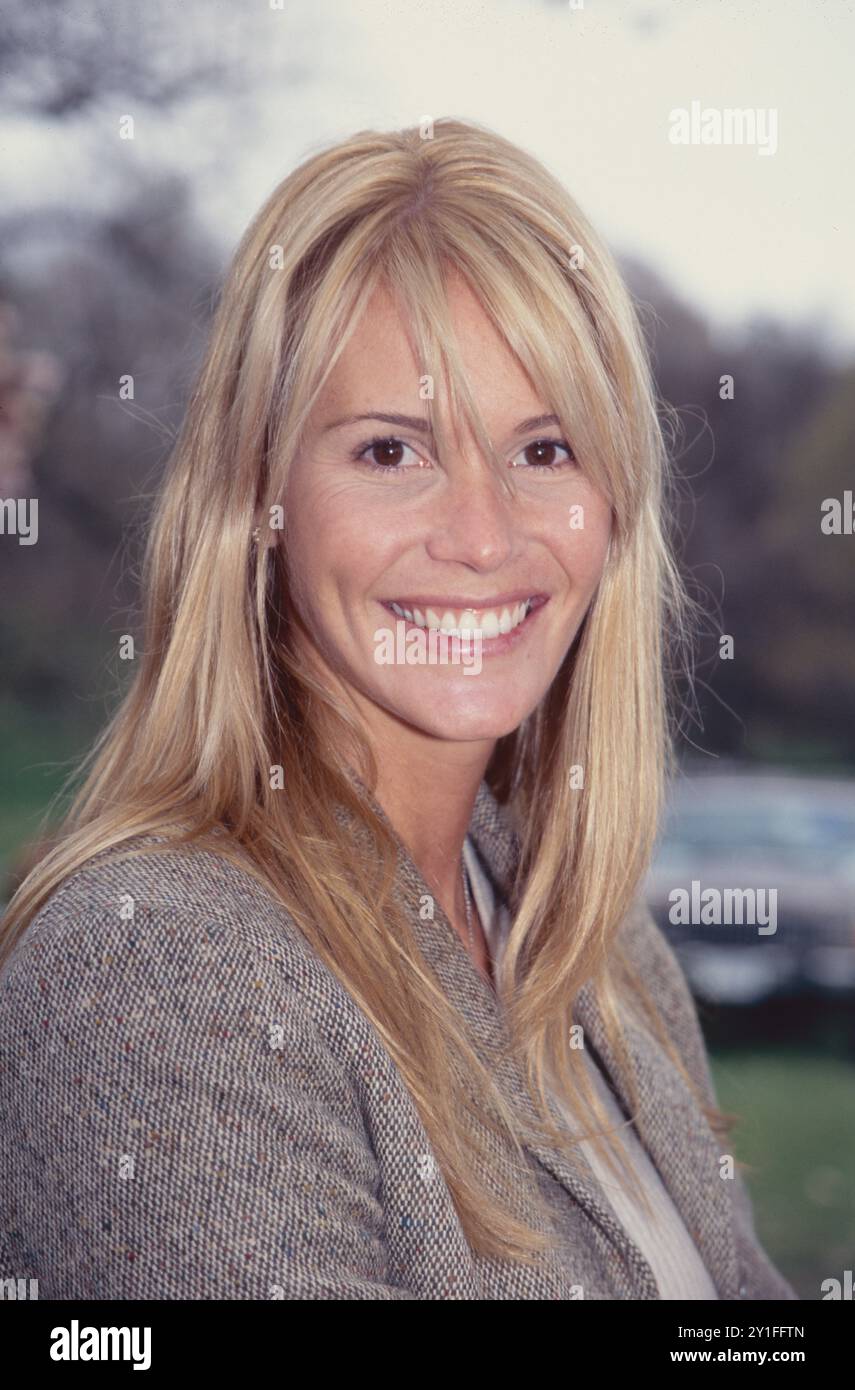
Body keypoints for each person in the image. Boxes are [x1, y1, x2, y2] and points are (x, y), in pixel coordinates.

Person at [0, 117, 796, 1301]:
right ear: (259, 499)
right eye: (390, 451)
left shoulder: (587, 937)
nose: (482, 535)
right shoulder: (157, 965)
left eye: (545, 447)